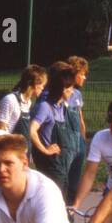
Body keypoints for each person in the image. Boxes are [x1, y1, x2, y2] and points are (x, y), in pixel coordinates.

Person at [30, 62, 82, 202]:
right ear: (61, 89)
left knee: (63, 200)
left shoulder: (61, 106)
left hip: (61, 164)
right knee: (53, 202)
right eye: (70, 88)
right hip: (50, 164)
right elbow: (32, 130)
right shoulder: (45, 107)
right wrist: (45, 150)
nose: (72, 92)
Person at [65, 56, 91, 199]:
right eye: (82, 74)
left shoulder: (78, 94)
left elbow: (80, 120)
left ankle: (71, 215)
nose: (84, 77)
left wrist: (83, 141)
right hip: (65, 144)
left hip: (78, 144)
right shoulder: (60, 93)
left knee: (74, 185)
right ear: (73, 74)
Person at [0, 65, 46, 135]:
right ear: (36, 84)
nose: (42, 88)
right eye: (42, 85)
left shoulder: (28, 103)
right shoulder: (10, 100)